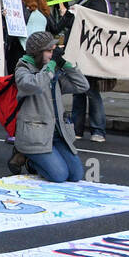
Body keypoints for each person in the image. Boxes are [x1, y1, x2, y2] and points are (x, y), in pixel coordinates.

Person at [13, 31, 90, 182]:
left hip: (57, 134)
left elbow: (82, 85)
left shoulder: (52, 70)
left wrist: (65, 64)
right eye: (49, 51)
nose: (52, 55)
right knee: (59, 175)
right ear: (37, 52)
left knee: (76, 175)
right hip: (36, 136)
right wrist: (51, 65)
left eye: (54, 51)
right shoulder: (23, 69)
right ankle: (29, 160)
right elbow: (34, 85)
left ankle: (45, 160)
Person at [69, 0, 111, 143]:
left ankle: (98, 129)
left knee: (91, 91)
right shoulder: (95, 1)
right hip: (83, 53)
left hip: (90, 54)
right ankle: (77, 129)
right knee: (79, 90)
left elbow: (93, 24)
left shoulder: (97, 1)